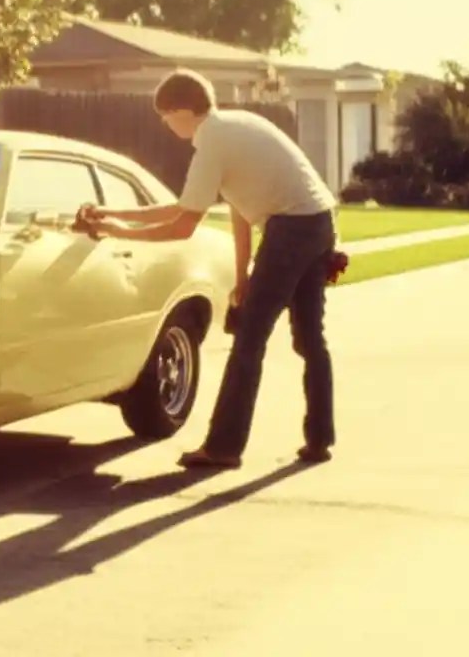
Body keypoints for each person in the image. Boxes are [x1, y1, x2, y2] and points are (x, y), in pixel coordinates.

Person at [78, 68, 339, 468]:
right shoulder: (237, 125)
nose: (166, 126)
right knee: (309, 338)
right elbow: (237, 208)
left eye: (166, 117)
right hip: (319, 222)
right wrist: (242, 275)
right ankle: (320, 438)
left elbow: (183, 224)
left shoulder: (212, 142)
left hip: (291, 229)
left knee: (249, 338)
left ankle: (223, 447)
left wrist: (116, 231)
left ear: (182, 112)